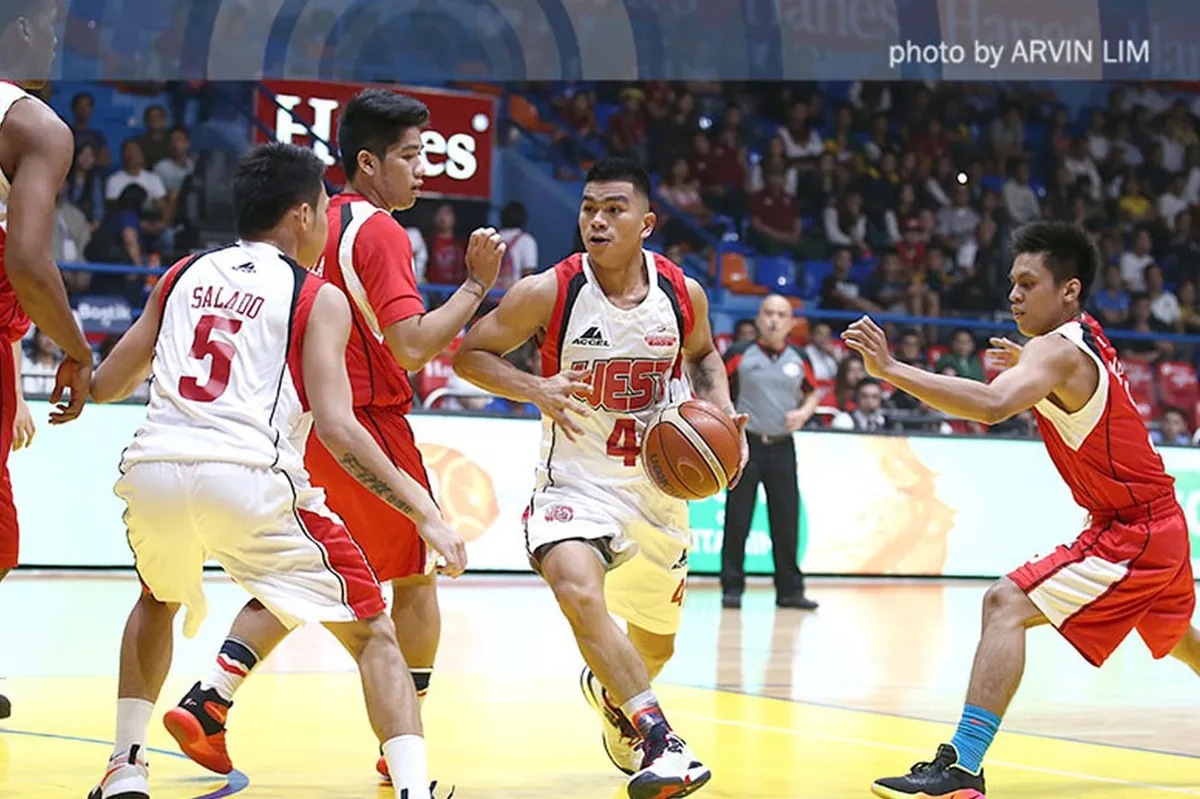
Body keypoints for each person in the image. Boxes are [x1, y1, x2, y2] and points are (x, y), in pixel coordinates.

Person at [84, 142, 465, 799]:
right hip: (248, 475)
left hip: (153, 469)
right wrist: (424, 510)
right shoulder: (313, 293)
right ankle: (412, 789)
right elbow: (341, 428)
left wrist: (72, 373)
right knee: (375, 629)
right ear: (300, 215)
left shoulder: (180, 274)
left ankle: (125, 766)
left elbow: (107, 382)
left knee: (155, 598)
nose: (323, 223)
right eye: (321, 211)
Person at [165, 89, 505, 779]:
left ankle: (212, 696)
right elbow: (409, 346)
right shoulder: (377, 229)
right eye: (411, 156)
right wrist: (473, 289)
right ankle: (397, 745)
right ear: (369, 163)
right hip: (364, 423)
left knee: (308, 573)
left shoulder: (320, 224)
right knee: (411, 581)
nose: (423, 170)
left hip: (308, 421)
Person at [843, 220, 1200, 799]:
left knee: (1004, 603)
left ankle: (962, 767)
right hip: (1157, 521)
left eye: (1028, 283)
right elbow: (1073, 381)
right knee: (1179, 637)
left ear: (1069, 290)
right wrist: (1032, 365)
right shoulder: (1084, 338)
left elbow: (989, 406)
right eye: (1012, 282)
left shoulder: (1054, 352)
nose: (1013, 294)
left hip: (1133, 531)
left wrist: (891, 369)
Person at [453, 158, 747, 798]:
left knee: (654, 652)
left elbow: (703, 357)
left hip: (658, 494)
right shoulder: (549, 291)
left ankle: (613, 693)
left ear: (647, 223)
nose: (597, 220)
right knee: (576, 587)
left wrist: (721, 411)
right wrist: (535, 386)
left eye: (614, 209)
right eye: (589, 207)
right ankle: (662, 740)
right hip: (575, 486)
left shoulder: (682, 292)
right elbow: (470, 353)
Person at [0, 0, 97, 721]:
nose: (58, 47)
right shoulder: (34, 124)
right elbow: (28, 260)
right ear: (24, 29)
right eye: (53, 30)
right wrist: (75, 345)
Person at [720, 294, 820, 610]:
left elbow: (814, 391)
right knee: (737, 519)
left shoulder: (799, 356)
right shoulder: (739, 353)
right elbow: (715, 384)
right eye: (768, 313)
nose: (774, 319)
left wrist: (803, 414)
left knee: (786, 519)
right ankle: (732, 588)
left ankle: (790, 591)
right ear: (759, 319)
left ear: (791, 322)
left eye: (781, 314)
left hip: (782, 446)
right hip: (745, 445)